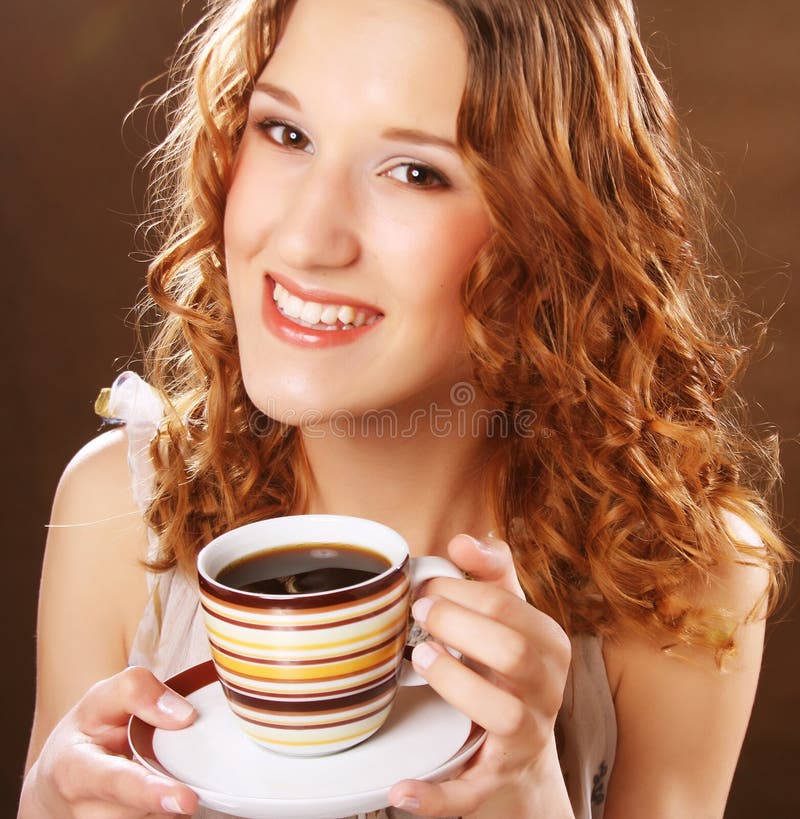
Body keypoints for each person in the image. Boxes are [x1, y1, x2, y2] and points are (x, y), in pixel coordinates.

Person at [17, 0, 789, 817]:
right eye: (286, 133)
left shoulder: (684, 582)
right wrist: (46, 801)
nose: (309, 238)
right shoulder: (117, 512)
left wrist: (527, 794)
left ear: (551, 229)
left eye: (416, 172)